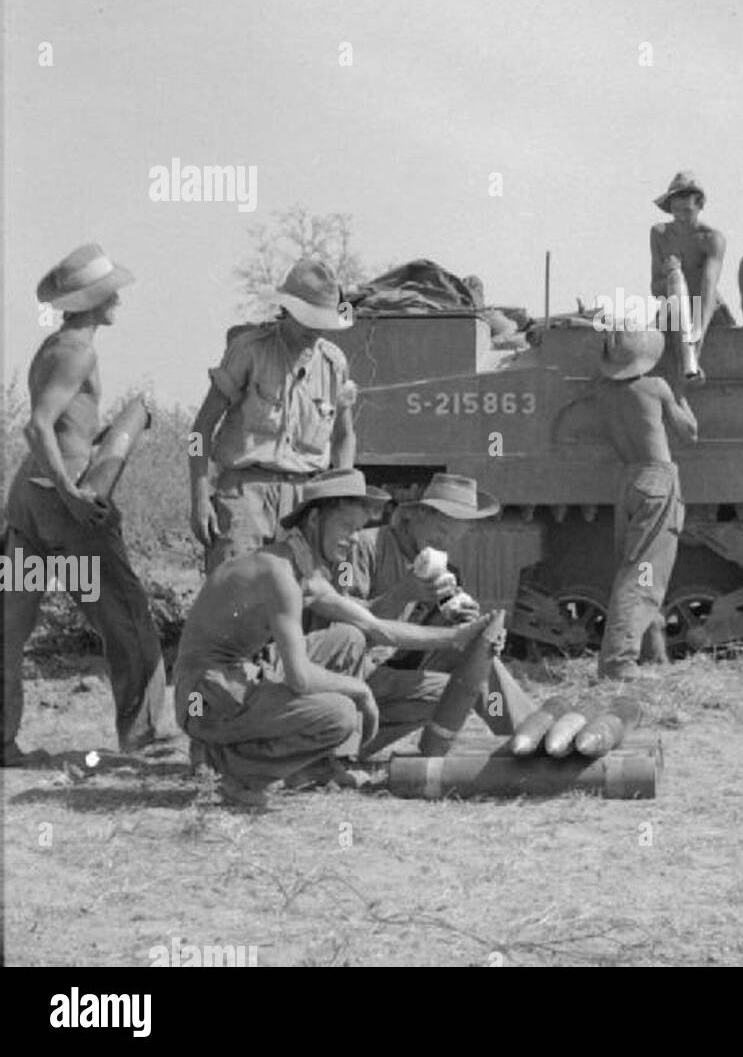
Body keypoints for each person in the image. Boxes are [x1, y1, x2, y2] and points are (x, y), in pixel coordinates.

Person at [175, 469, 521, 806]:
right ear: (313, 521)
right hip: (209, 694)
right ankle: (235, 770)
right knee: (339, 713)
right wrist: (360, 691)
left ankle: (317, 762)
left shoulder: (302, 572)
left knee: (349, 640)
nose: (354, 537)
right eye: (346, 526)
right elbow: (300, 676)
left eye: (358, 528)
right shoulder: (279, 574)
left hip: (243, 675)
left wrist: (457, 635)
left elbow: (375, 627)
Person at [3, 244, 168, 765]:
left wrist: (112, 433)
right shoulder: (80, 351)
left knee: (9, 627)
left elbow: (63, 425)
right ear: (94, 299)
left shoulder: (54, 346)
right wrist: (75, 494)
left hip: (26, 508)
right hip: (67, 509)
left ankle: (4, 742)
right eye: (110, 291)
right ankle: (144, 740)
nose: (118, 296)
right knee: (128, 620)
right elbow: (38, 426)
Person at [313, 473, 534, 757]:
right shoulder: (363, 548)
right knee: (455, 693)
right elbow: (345, 625)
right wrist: (403, 593)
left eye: (452, 539)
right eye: (440, 532)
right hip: (352, 672)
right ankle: (346, 747)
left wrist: (467, 625)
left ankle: (527, 736)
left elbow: (430, 637)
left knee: (478, 656)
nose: (443, 544)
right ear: (416, 515)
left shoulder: (438, 567)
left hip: (391, 670)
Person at [188, 258, 357, 572]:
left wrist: (337, 497)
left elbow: (344, 435)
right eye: (307, 318)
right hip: (245, 495)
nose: (314, 329)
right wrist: (199, 496)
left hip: (306, 501)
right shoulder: (249, 350)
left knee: (299, 602)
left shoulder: (335, 364)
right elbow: (201, 430)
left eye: (321, 320)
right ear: (288, 310)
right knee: (236, 595)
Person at [594, 327, 698, 680]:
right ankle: (618, 661)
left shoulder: (602, 390)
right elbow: (690, 433)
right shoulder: (656, 387)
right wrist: (681, 394)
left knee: (641, 566)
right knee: (643, 574)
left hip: (628, 480)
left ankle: (656, 654)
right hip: (657, 478)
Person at [649, 172, 734, 355]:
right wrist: (672, 276)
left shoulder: (712, 239)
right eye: (676, 211)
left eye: (687, 211)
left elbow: (708, 289)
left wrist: (697, 338)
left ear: (700, 205)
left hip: (708, 314)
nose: (680, 217)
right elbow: (656, 289)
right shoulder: (659, 234)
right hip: (674, 310)